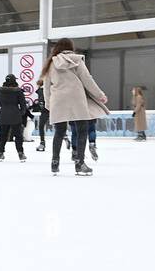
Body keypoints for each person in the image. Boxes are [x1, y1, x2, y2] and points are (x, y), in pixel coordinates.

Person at [41, 38, 108, 176]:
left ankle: (55, 162)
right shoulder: (77, 60)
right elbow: (87, 79)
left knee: (59, 132)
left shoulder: (51, 63)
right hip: (76, 99)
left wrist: (48, 104)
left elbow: (46, 87)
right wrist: (100, 94)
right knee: (82, 130)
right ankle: (79, 163)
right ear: (71, 48)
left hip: (58, 100)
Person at [0, 74, 27, 162]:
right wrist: (21, 113)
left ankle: (0, 153)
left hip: (3, 115)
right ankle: (20, 153)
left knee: (2, 136)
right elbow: (23, 105)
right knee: (18, 136)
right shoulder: (18, 91)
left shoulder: (0, 91)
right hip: (15, 115)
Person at [32, 79, 50, 151]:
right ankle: (65, 137)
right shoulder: (49, 89)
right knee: (59, 126)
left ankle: (42, 143)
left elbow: (41, 101)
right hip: (53, 109)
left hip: (45, 111)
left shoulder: (41, 90)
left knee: (41, 126)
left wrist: (41, 106)